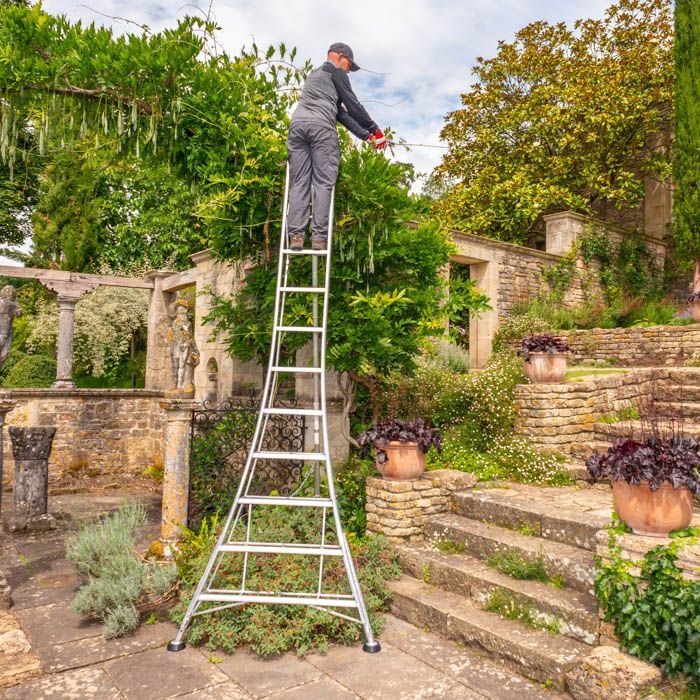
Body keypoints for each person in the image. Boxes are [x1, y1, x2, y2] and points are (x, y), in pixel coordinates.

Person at [286, 42, 386, 252]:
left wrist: (365, 136)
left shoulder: (314, 75)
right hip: (320, 129)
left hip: (297, 127)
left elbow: (340, 113)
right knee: (322, 182)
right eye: (349, 65)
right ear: (340, 57)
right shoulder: (337, 73)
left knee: (300, 181)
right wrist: (375, 130)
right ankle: (319, 238)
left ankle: (296, 235)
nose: (349, 70)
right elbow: (353, 104)